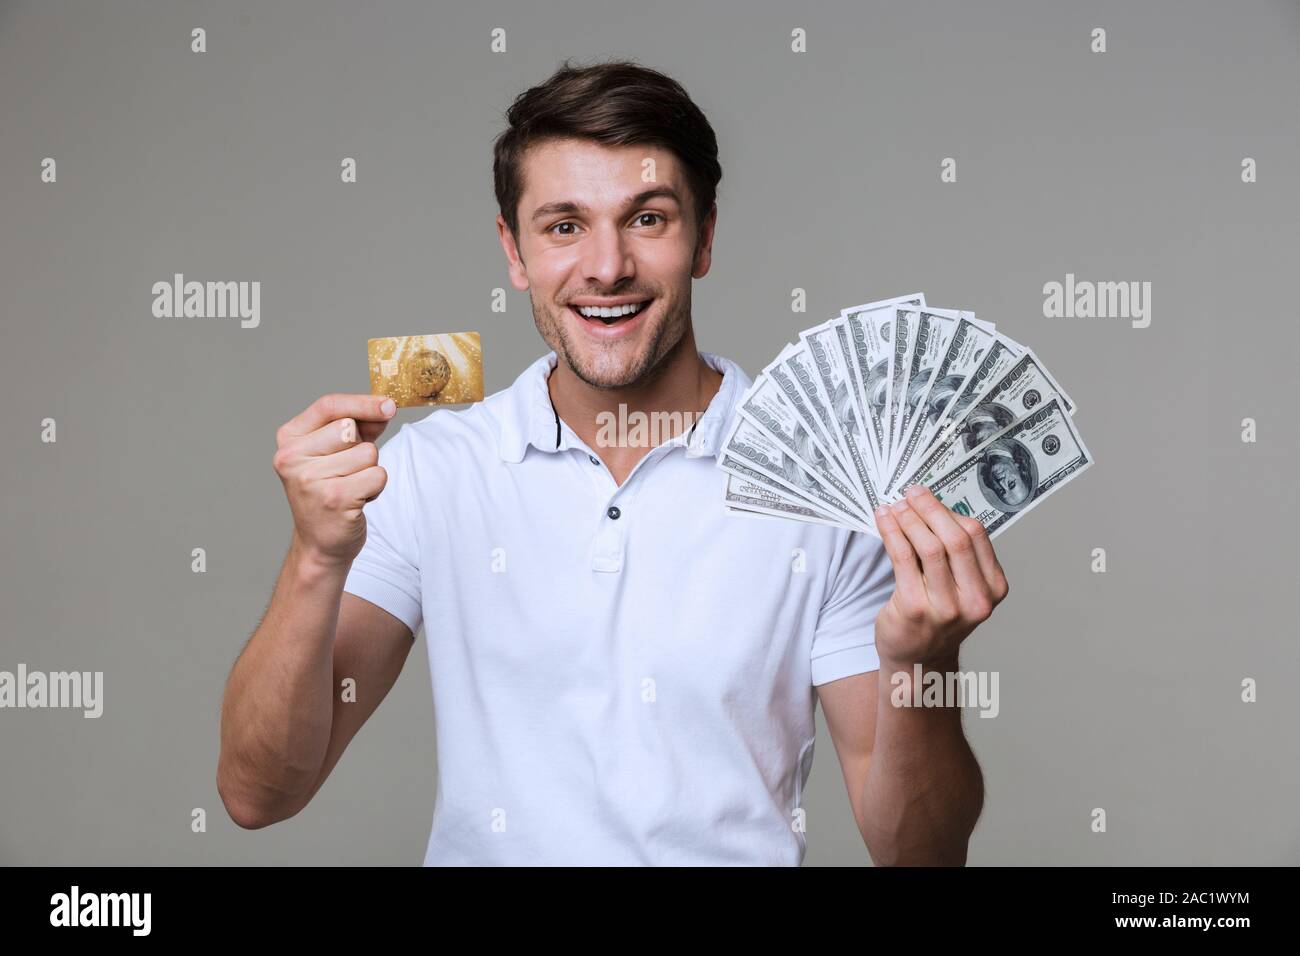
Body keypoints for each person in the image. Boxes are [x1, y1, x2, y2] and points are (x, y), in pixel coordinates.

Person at [216, 58, 1009, 866]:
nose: (605, 268)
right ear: (514, 251)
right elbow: (259, 795)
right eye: (564, 226)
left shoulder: (824, 489)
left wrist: (925, 662)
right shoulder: (429, 471)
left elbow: (921, 854)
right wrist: (316, 558)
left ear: (703, 237)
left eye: (647, 220)